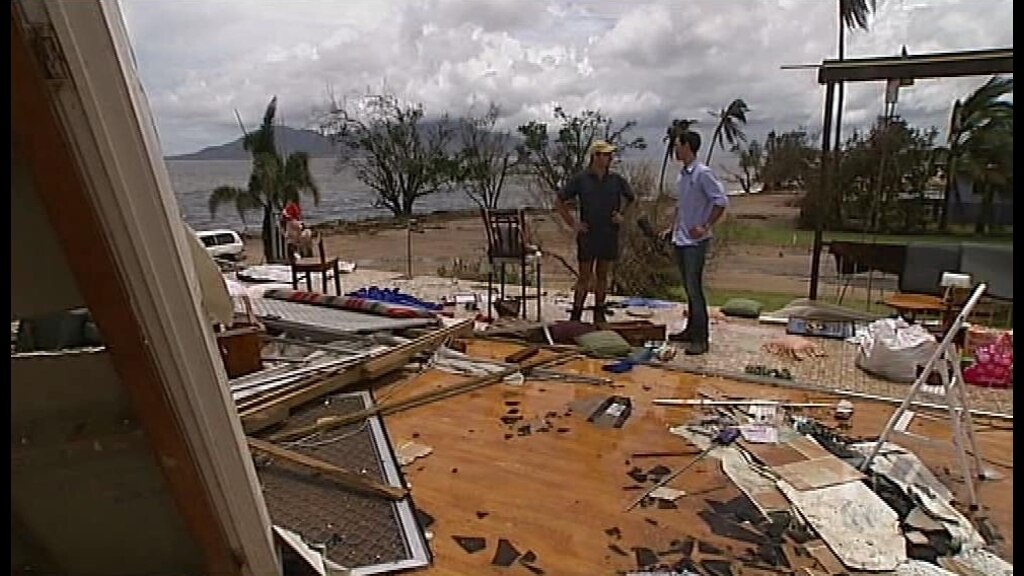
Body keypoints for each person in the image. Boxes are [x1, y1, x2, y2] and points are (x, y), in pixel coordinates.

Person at [660, 130, 728, 355]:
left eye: (678, 145)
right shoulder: (683, 176)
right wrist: (673, 227)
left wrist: (705, 226)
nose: (675, 149)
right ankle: (690, 330)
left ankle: (701, 338)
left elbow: (720, 201)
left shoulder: (702, 174)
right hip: (681, 238)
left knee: (695, 288)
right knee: (688, 289)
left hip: (695, 243)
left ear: (688, 146)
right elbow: (683, 206)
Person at [556, 140, 635, 324]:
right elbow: (559, 201)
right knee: (584, 277)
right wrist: (572, 223)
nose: (609, 158)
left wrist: (622, 216)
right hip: (588, 234)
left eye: (610, 155)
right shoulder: (581, 179)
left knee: (602, 276)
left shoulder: (616, 180)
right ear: (595, 156)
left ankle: (599, 313)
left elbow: (632, 199)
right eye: (605, 155)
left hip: (609, 233)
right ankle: (576, 315)